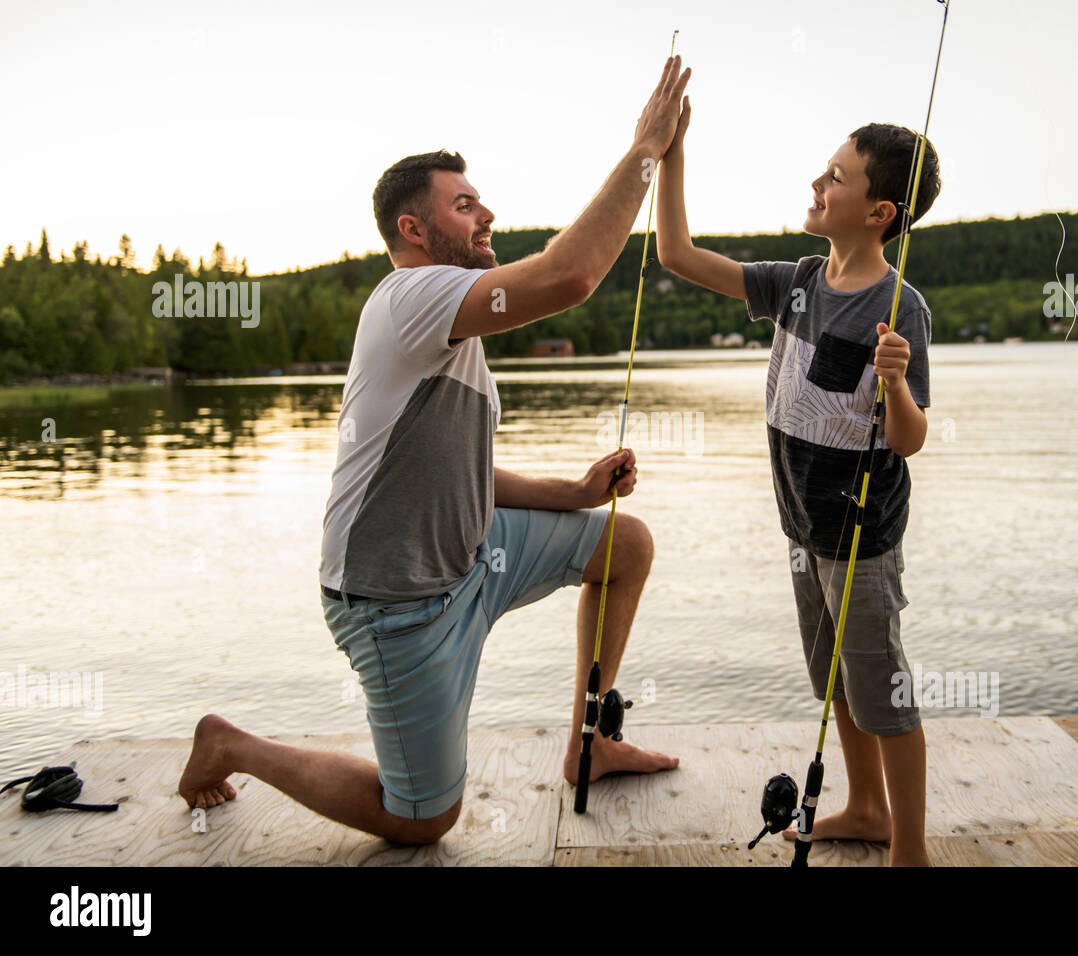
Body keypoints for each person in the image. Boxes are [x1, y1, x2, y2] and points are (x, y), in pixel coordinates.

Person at [178, 56, 693, 846]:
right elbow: (572, 275)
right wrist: (645, 151)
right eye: (464, 205)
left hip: (472, 559)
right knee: (419, 821)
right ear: (413, 231)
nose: (485, 214)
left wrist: (575, 493)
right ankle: (232, 744)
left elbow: (460, 476)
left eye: (480, 200)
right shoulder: (412, 296)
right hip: (397, 604)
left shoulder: (449, 329)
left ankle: (592, 742)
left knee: (624, 542)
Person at [654, 94, 938, 866]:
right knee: (837, 686)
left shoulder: (901, 306)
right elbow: (675, 255)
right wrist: (671, 149)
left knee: (883, 693)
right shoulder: (797, 281)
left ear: (879, 211)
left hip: (860, 538)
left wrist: (897, 384)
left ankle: (909, 847)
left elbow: (908, 440)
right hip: (800, 530)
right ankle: (868, 807)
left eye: (835, 176)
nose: (818, 183)